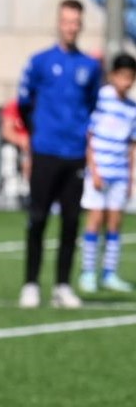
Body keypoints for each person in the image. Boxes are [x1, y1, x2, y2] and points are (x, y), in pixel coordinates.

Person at [17, 0, 102, 309]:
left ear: (81, 25)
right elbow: (24, 103)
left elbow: (92, 105)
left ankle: (63, 285)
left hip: (75, 154)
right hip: (45, 151)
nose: (71, 27)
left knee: (70, 222)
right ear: (58, 22)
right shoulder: (39, 62)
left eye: (76, 22)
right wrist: (35, 137)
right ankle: (30, 284)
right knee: (37, 219)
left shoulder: (90, 66)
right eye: (66, 21)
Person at [78, 52, 136, 294]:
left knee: (115, 222)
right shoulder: (100, 99)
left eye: (131, 77)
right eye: (123, 76)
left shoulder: (132, 107)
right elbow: (88, 136)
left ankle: (109, 272)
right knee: (95, 220)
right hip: (99, 170)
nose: (127, 82)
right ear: (113, 76)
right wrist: (94, 169)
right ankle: (88, 272)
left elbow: (132, 145)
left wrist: (132, 176)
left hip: (119, 172)